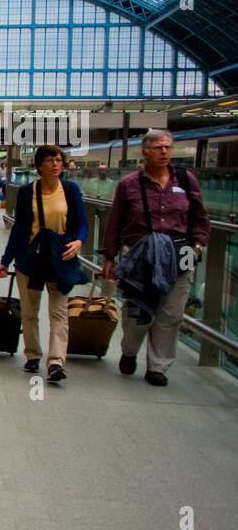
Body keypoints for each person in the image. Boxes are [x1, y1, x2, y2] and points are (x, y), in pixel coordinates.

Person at [100, 129, 211, 386]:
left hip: (181, 251)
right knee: (137, 309)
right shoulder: (129, 183)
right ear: (145, 151)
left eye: (168, 147)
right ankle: (129, 351)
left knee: (171, 312)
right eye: (159, 147)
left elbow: (201, 217)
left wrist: (197, 246)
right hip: (140, 252)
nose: (165, 152)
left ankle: (157, 367)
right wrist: (110, 257)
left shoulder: (186, 180)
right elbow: (115, 222)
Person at [0, 145, 89, 383]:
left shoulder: (70, 189)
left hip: (61, 259)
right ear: (39, 166)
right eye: (50, 160)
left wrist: (79, 241)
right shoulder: (28, 192)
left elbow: (82, 224)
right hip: (30, 259)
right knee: (29, 312)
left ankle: (56, 362)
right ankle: (33, 355)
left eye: (59, 160)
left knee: (59, 313)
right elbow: (18, 229)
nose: (56, 164)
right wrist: (5, 261)